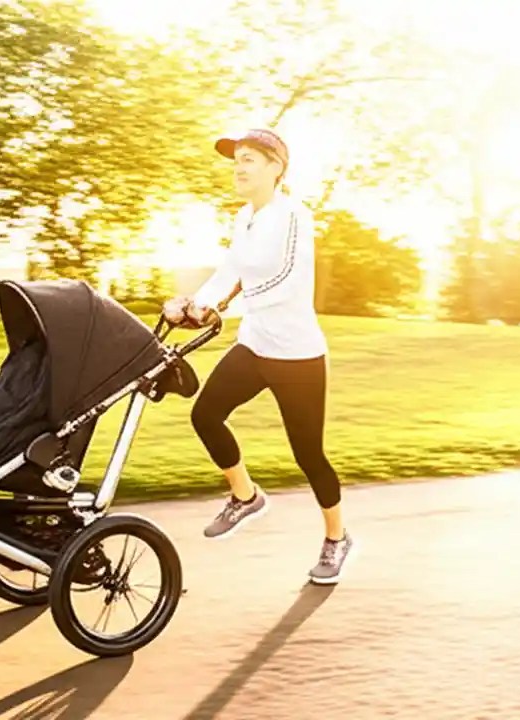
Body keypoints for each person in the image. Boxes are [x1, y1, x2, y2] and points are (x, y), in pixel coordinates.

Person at [163, 128, 354, 585]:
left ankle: (337, 538)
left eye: (250, 158)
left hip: (297, 355)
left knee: (308, 454)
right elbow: (231, 270)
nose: (239, 166)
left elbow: (286, 278)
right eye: (236, 159)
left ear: (276, 168)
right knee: (206, 415)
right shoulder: (244, 218)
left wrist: (221, 307)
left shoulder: (293, 217)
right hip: (255, 345)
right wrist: (196, 301)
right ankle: (245, 496)